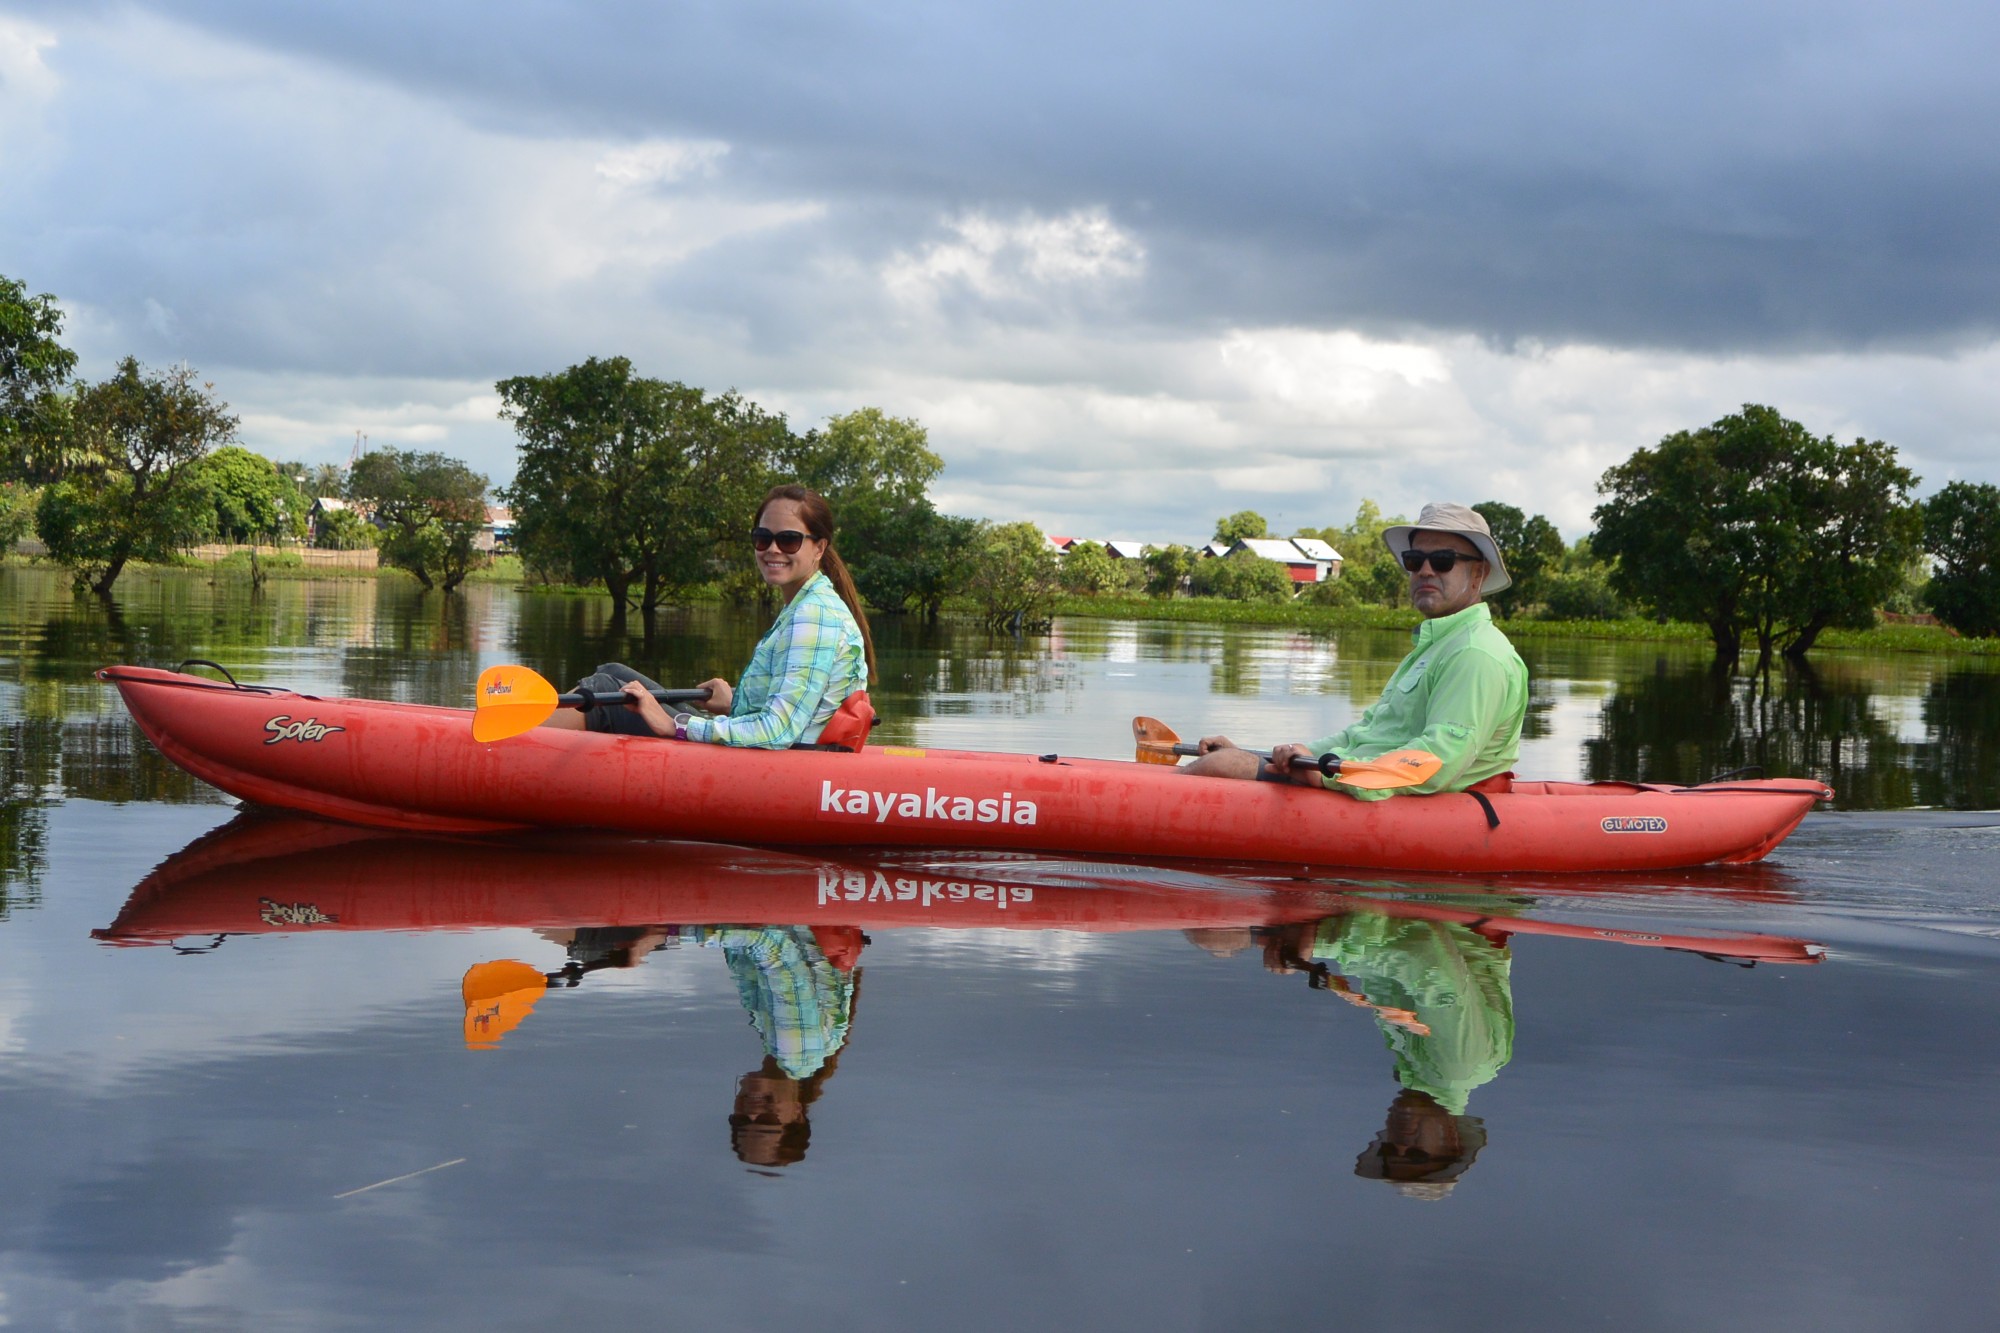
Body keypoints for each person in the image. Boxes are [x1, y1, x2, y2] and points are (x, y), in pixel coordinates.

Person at [1183, 501, 1528, 798]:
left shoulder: (1475, 653)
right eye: (1414, 560)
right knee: (1225, 759)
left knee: (1223, 766)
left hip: (1403, 802)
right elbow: (1362, 736)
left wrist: (1328, 774)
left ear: (1478, 573)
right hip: (1360, 779)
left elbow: (1438, 759)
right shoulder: (1435, 647)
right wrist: (1277, 756)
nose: (1425, 570)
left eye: (1442, 560)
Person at [545, 484, 876, 749]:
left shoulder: (814, 616)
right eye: (763, 538)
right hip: (773, 755)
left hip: (780, 768)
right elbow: (798, 706)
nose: (772, 549)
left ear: (819, 547)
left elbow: (778, 731)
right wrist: (737, 703)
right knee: (613, 672)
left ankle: (517, 750)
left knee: (605, 691)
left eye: (789, 540)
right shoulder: (807, 604)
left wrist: (674, 725)